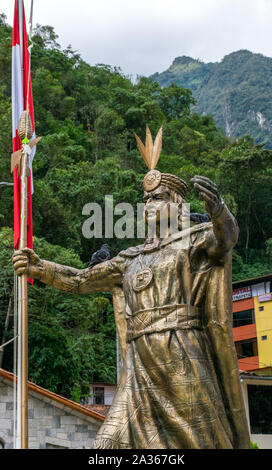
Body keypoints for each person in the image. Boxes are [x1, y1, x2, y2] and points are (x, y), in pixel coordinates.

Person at [13, 128, 250, 449]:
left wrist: (219, 210)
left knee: (199, 440)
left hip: (181, 353)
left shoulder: (194, 241)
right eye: (147, 200)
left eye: (159, 198)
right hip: (137, 368)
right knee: (105, 446)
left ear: (177, 205)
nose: (150, 204)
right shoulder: (131, 259)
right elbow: (81, 280)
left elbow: (226, 239)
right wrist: (41, 267)